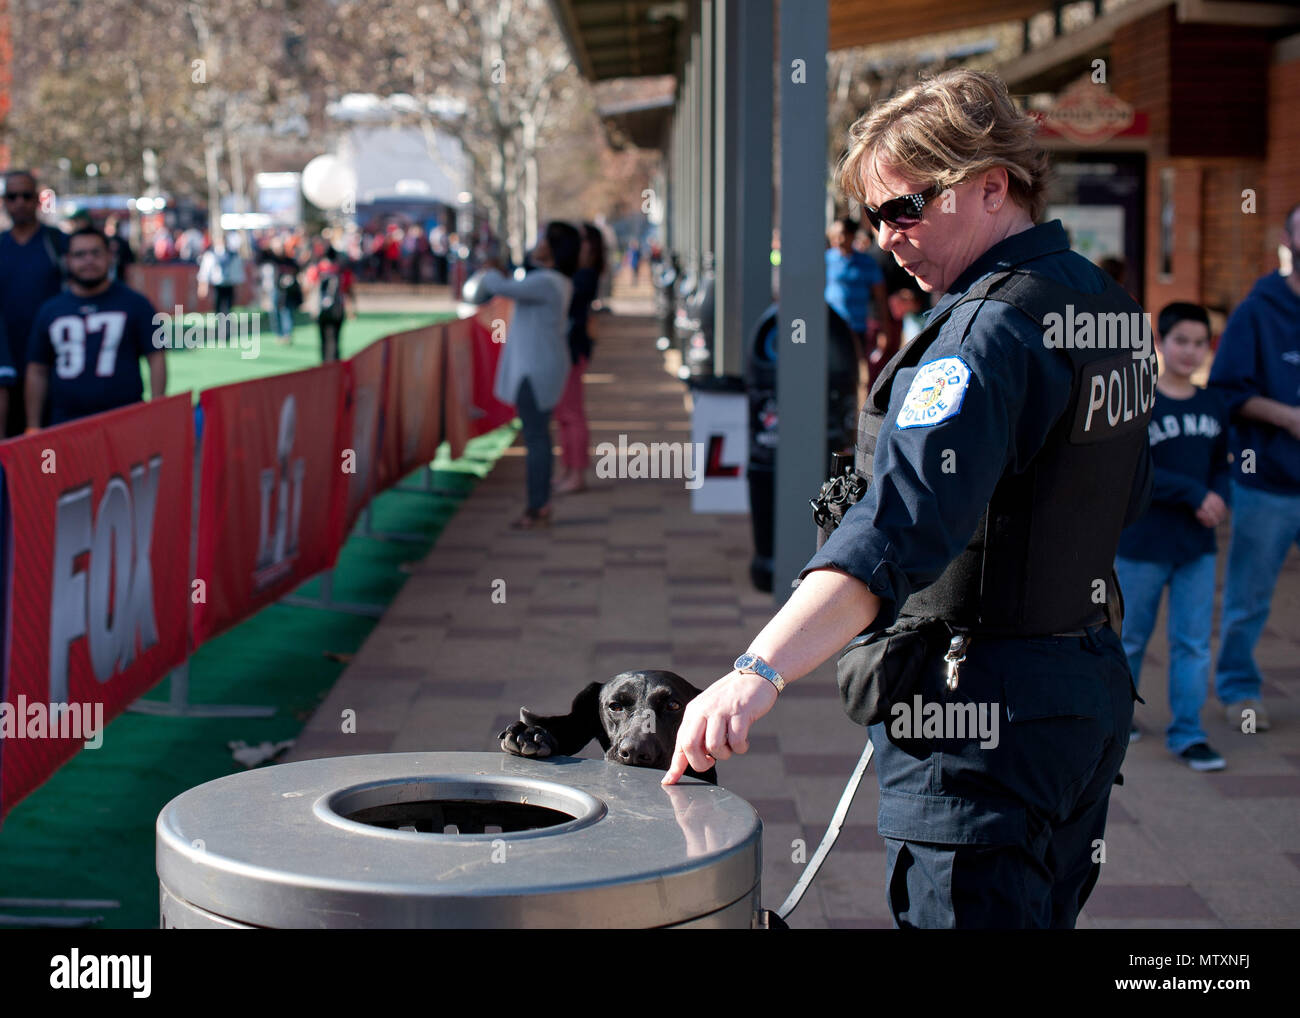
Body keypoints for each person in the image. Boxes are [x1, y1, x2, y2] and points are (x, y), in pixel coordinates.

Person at [663, 69, 1154, 930]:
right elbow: (1127, 494)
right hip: (1081, 695)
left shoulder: (986, 335)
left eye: (904, 209)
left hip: (982, 722)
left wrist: (756, 672)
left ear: (991, 185)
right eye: (871, 217)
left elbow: (895, 528)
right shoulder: (1102, 302)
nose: (886, 237)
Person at [1114, 303, 1230, 768]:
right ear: (1160, 343)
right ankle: (1118, 721)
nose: (1190, 351)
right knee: (1132, 638)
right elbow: (1132, 471)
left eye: (1199, 343)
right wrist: (1193, 493)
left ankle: (1188, 732)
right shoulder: (1140, 402)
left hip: (1196, 548)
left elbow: (1226, 462)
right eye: (1180, 341)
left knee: (1194, 642)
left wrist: (1220, 495)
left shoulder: (1213, 404)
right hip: (1142, 545)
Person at [1207, 202, 1300, 733]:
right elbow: (1226, 391)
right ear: (1287, 239)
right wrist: (1288, 417)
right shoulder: (1258, 311)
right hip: (1267, 482)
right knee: (1248, 600)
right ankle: (1240, 691)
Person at [475, 221, 580, 529]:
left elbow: (498, 288)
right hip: (541, 368)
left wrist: (489, 269)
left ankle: (537, 506)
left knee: (535, 439)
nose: (538, 242)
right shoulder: (554, 281)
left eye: (544, 238)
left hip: (534, 371)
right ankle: (539, 503)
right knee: (538, 437)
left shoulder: (547, 282)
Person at [25, 227, 166, 429]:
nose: (88, 260)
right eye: (80, 254)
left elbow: (156, 356)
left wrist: (157, 409)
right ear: (67, 260)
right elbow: (37, 370)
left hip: (125, 421)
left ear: (110, 256)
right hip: (65, 425)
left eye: (96, 253)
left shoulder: (136, 304)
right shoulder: (50, 310)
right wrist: (33, 426)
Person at [0, 170, 67, 437]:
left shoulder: (57, 242)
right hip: (7, 363)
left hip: (53, 362)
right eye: (12, 196)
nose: (20, 202)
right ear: (4, 201)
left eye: (26, 195)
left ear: (37, 200)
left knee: (50, 445)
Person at [552, 223, 605, 496]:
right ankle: (568, 468)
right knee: (564, 414)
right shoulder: (575, 275)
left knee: (572, 414)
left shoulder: (584, 276)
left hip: (573, 351)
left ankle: (577, 473)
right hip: (567, 350)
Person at [304, 246, 354, 362]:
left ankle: (324, 363)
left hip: (320, 310)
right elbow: (348, 290)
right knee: (335, 338)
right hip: (337, 310)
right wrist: (351, 309)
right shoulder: (341, 271)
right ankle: (334, 364)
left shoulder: (316, 269)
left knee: (323, 339)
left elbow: (308, 287)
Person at [197, 237, 245, 316]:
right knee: (217, 304)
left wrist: (239, 286)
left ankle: (227, 323)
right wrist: (203, 285)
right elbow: (205, 270)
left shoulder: (232, 255)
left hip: (229, 283)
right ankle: (219, 323)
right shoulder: (211, 254)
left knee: (229, 306)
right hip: (217, 284)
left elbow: (237, 270)